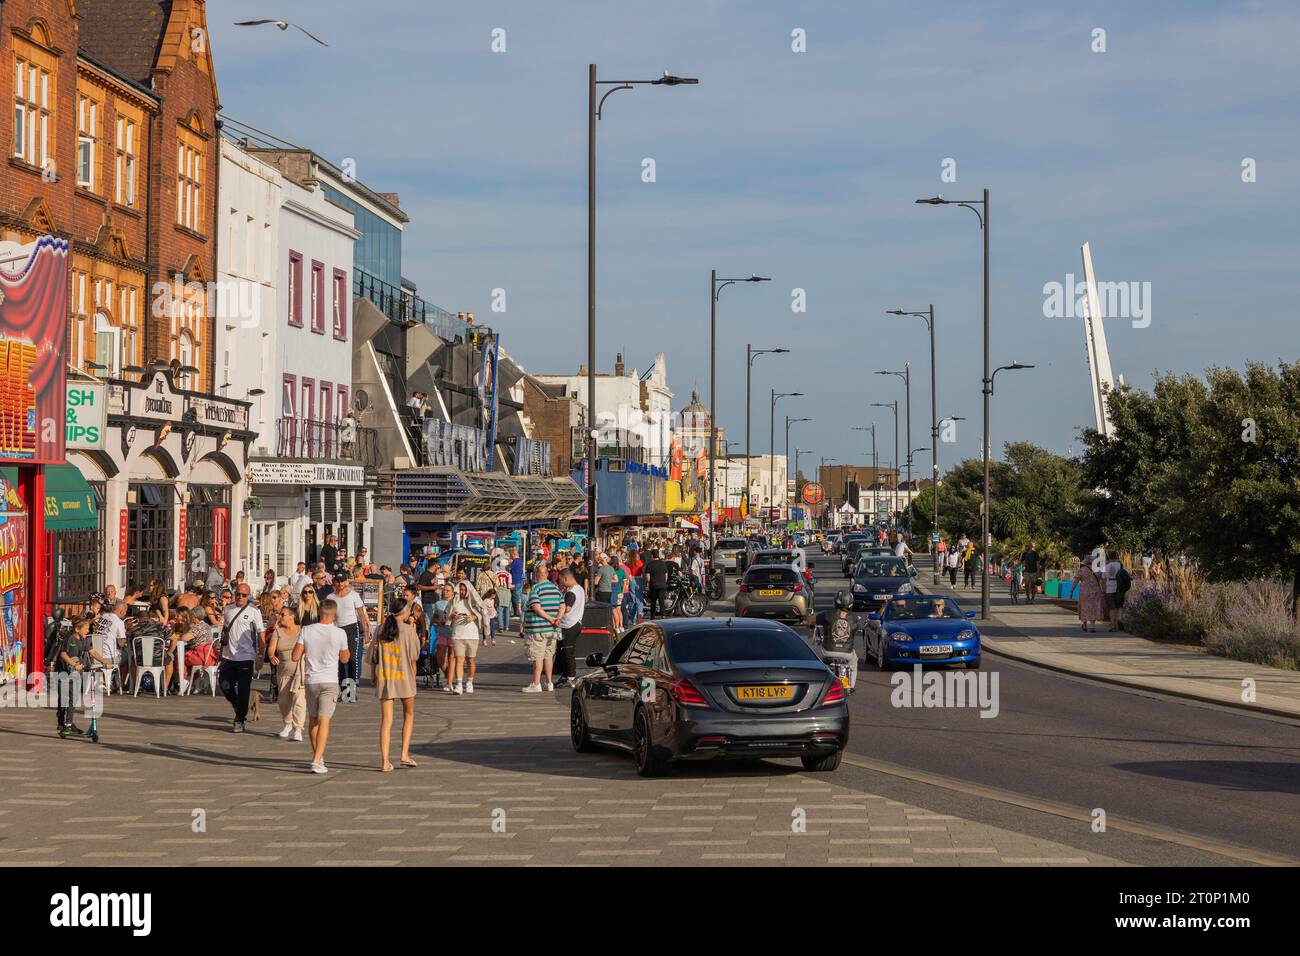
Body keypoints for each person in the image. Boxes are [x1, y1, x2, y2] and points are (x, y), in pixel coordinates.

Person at [293, 600, 350, 773]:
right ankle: (317, 759)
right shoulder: (340, 633)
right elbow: (345, 659)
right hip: (330, 680)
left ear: (319, 612)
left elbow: (295, 656)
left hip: (312, 680)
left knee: (314, 720)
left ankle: (318, 756)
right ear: (335, 614)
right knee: (325, 720)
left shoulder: (306, 630)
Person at [367, 598, 421, 772]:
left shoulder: (381, 628)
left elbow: (372, 655)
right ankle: (404, 754)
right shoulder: (408, 630)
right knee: (409, 715)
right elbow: (414, 657)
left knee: (386, 720)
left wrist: (373, 674)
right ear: (405, 611)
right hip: (404, 677)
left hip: (386, 676)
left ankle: (385, 760)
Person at [218, 583, 264, 733]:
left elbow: (260, 634)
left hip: (246, 656)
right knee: (224, 686)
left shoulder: (254, 611)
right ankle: (242, 706)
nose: (240, 597)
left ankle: (239, 719)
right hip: (228, 655)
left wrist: (260, 655)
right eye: (238, 594)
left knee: (244, 690)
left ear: (248, 596)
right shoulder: (228, 609)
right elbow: (225, 629)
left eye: (244, 595)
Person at [267, 605, 306, 741]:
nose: (280, 617)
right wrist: (271, 656)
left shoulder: (302, 631)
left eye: (283, 614)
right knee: (283, 701)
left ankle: (298, 729)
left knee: (299, 700)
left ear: (292, 616)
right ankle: (287, 724)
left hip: (300, 671)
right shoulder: (278, 631)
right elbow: (271, 649)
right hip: (283, 670)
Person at [522, 561, 563, 693]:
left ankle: (536, 683)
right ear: (546, 575)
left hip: (538, 628)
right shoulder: (555, 588)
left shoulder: (536, 588)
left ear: (537, 575)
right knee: (548, 656)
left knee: (537, 656)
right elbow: (562, 605)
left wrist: (550, 619)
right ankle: (549, 682)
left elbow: (536, 607)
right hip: (552, 629)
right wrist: (557, 619)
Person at [52, 615, 93, 736]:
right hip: (62, 672)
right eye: (86, 629)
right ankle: (62, 722)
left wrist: (106, 662)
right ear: (77, 629)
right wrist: (74, 665)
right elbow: (63, 655)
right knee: (63, 699)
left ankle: (68, 724)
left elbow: (92, 652)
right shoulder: (69, 639)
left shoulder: (83, 639)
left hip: (74, 674)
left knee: (72, 699)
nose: (88, 631)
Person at [813, 591, 861, 690]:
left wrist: (806, 621)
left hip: (827, 651)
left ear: (835, 601)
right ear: (851, 603)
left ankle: (815, 682)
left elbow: (811, 620)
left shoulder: (827, 614)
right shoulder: (855, 618)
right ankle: (850, 686)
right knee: (854, 661)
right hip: (847, 654)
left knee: (812, 654)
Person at [330, 577, 370, 691]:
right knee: (341, 659)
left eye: (342, 581)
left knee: (352, 658)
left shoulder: (353, 595)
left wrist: (366, 632)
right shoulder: (331, 597)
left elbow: (361, 614)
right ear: (334, 583)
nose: (340, 583)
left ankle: (351, 688)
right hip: (337, 629)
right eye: (338, 581)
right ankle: (344, 688)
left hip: (352, 628)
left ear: (346, 582)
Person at [447, 581, 486, 695]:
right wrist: (453, 615)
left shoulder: (475, 602)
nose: (462, 592)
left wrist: (474, 616)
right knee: (459, 659)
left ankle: (469, 681)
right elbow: (448, 614)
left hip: (472, 635)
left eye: (464, 589)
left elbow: (484, 613)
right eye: (461, 589)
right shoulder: (454, 600)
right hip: (458, 634)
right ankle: (458, 684)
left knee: (471, 659)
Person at [555, 566, 585, 688]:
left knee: (568, 651)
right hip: (576, 622)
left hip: (569, 625)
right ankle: (565, 674)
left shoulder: (570, 593)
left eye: (561, 580)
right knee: (563, 650)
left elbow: (567, 609)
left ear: (566, 578)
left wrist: (557, 611)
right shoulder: (580, 589)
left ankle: (571, 677)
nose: (560, 583)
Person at [1076, 557, 1105, 632]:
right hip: (1096, 591)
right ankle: (1092, 627)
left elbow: (1076, 581)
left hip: (1084, 592)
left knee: (1084, 607)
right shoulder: (1098, 570)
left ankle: (1085, 625)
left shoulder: (1081, 570)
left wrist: (1071, 591)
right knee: (1094, 608)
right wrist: (1104, 590)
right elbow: (1103, 580)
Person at [645, 549, 671, 618]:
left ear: (652, 556)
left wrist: (649, 583)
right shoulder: (663, 563)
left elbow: (648, 577)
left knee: (653, 601)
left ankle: (652, 615)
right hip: (662, 584)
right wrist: (664, 581)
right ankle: (663, 614)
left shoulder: (649, 564)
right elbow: (666, 575)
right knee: (661, 600)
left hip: (653, 585)